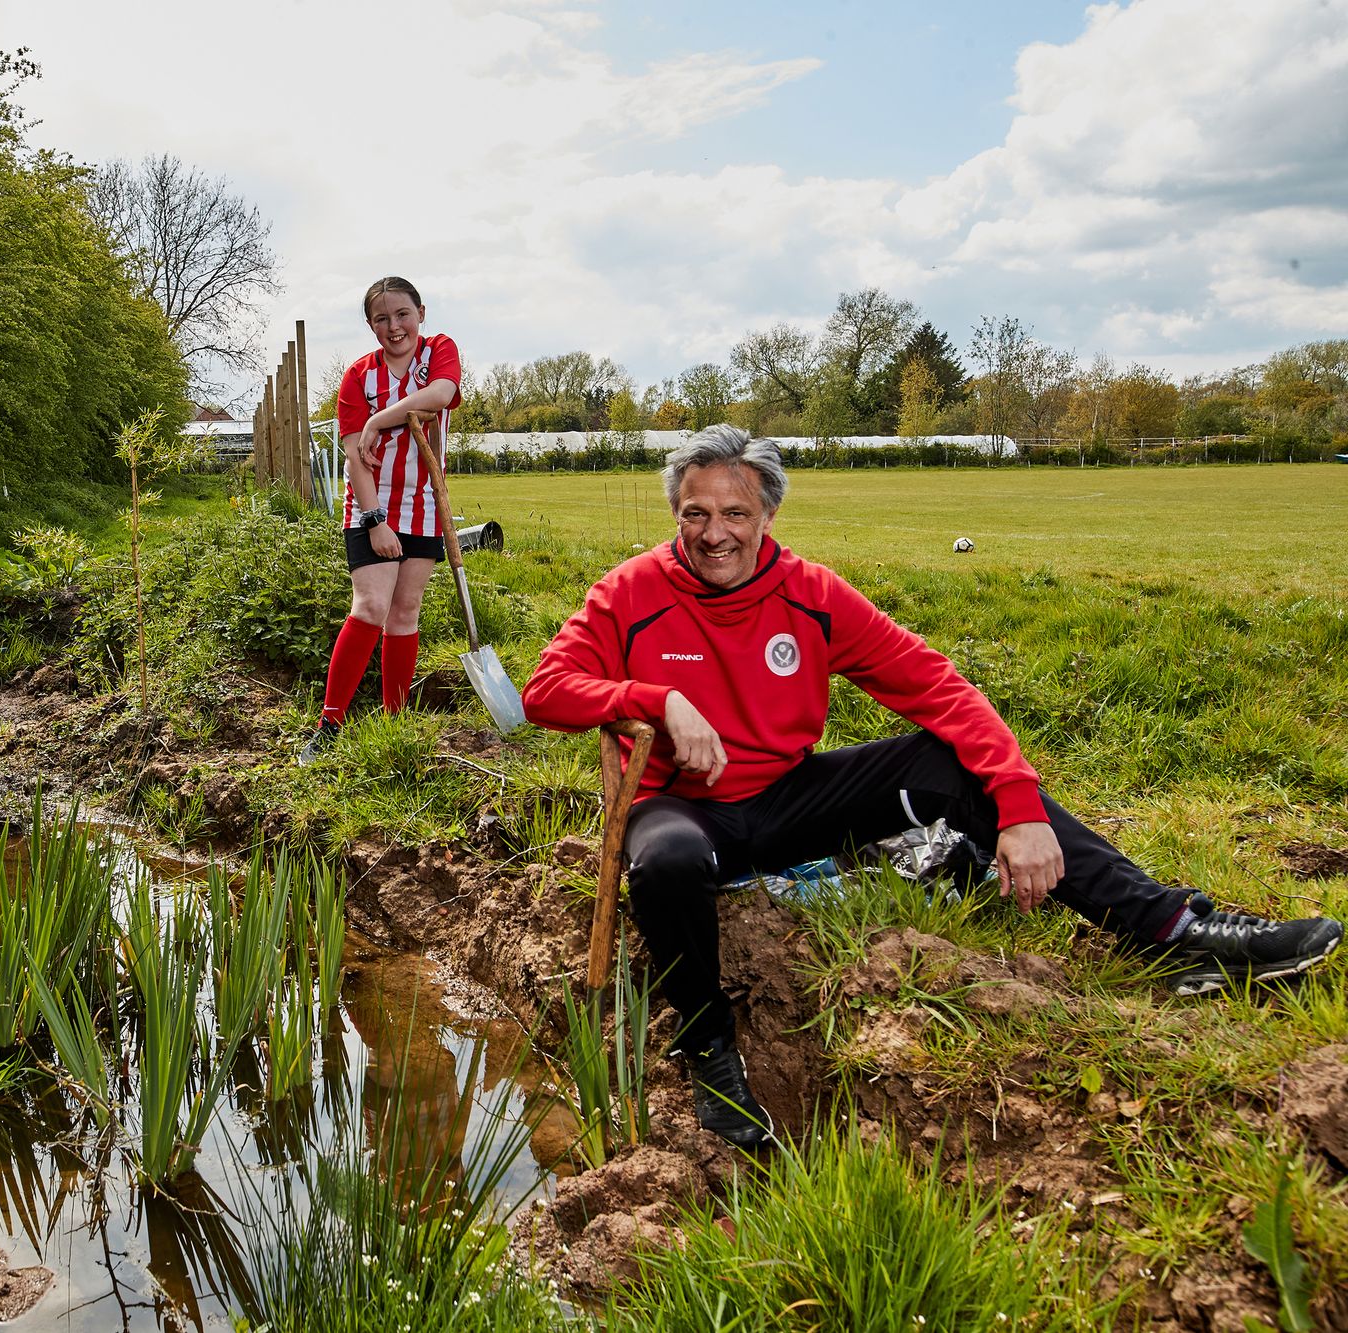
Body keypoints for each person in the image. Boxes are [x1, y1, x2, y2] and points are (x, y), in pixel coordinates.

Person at [523, 425, 1343, 1149]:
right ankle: (709, 1050)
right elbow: (544, 689)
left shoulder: (811, 595)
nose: (714, 533)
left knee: (944, 762)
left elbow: (938, 687)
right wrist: (652, 698)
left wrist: (1018, 807)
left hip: (785, 799)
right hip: (684, 812)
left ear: (768, 516)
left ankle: (1174, 930)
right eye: (694, 513)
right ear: (676, 516)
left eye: (734, 513)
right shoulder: (630, 590)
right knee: (663, 864)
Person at [299, 277, 462, 764]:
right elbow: (355, 458)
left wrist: (379, 419)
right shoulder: (357, 378)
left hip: (427, 502)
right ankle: (330, 723)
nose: (394, 327)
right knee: (371, 604)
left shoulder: (439, 352)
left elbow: (443, 392)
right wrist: (375, 521)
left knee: (405, 611)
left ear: (421, 313)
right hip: (373, 503)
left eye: (402, 314)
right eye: (381, 319)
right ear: (370, 326)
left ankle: (396, 722)